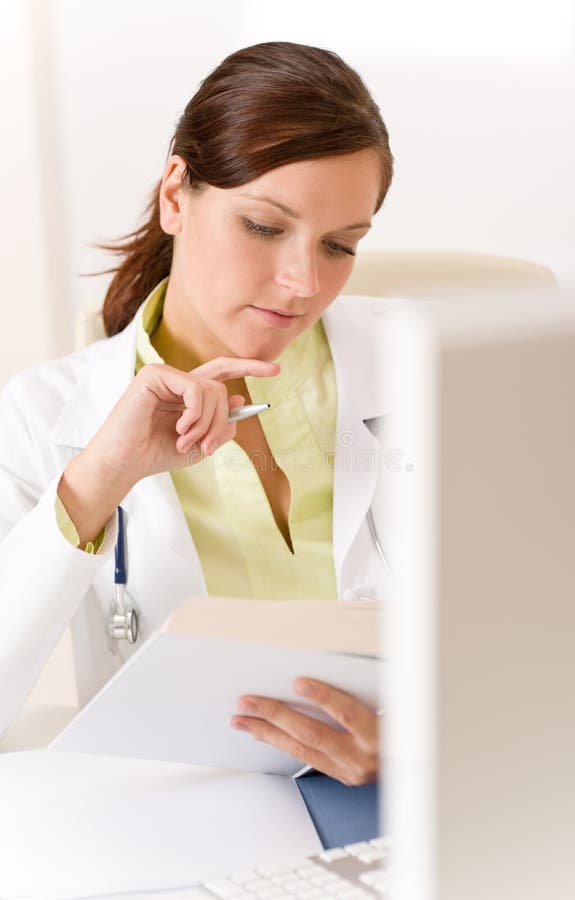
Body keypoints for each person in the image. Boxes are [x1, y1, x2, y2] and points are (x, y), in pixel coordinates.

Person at [0, 42, 394, 793]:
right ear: (175, 193)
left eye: (341, 245)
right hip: (184, 813)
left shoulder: (432, 363)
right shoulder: (40, 414)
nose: (304, 282)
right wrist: (97, 480)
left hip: (416, 803)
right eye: (265, 227)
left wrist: (427, 743)